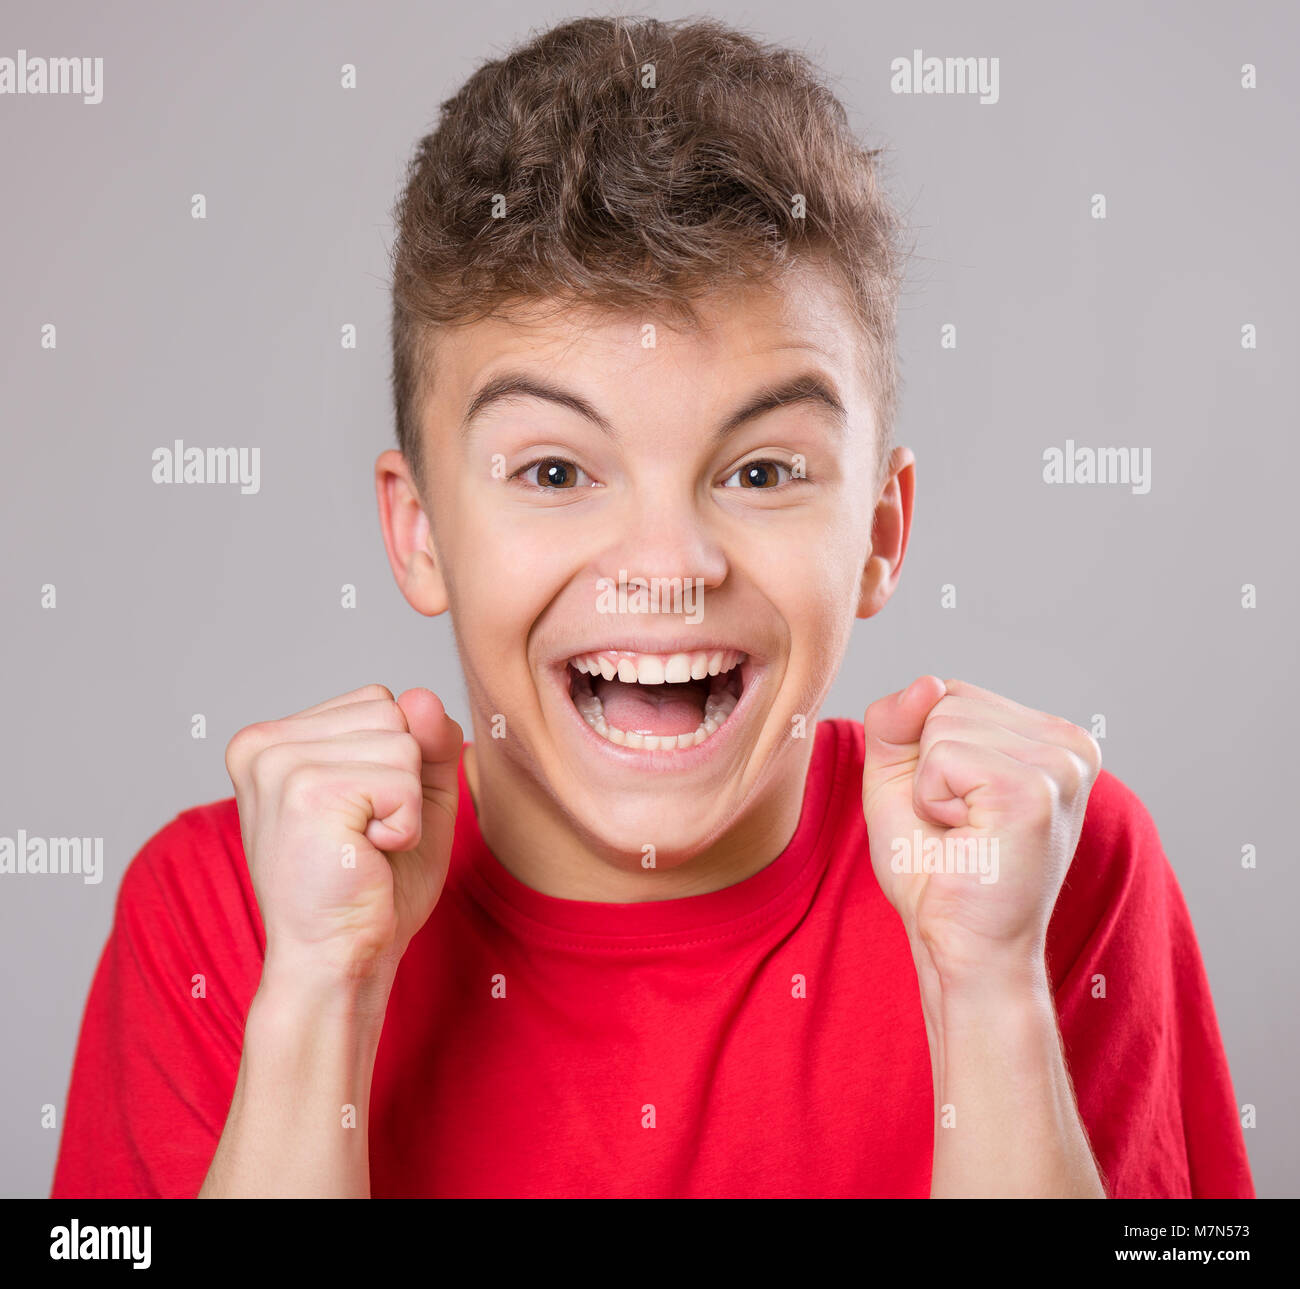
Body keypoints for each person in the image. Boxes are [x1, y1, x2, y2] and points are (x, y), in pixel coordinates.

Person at [51, 15, 1253, 1199]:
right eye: (557, 471)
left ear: (880, 534)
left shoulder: (1049, 869)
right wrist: (319, 988)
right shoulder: (225, 911)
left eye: (762, 471)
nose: (666, 567)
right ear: (419, 531)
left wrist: (992, 989)